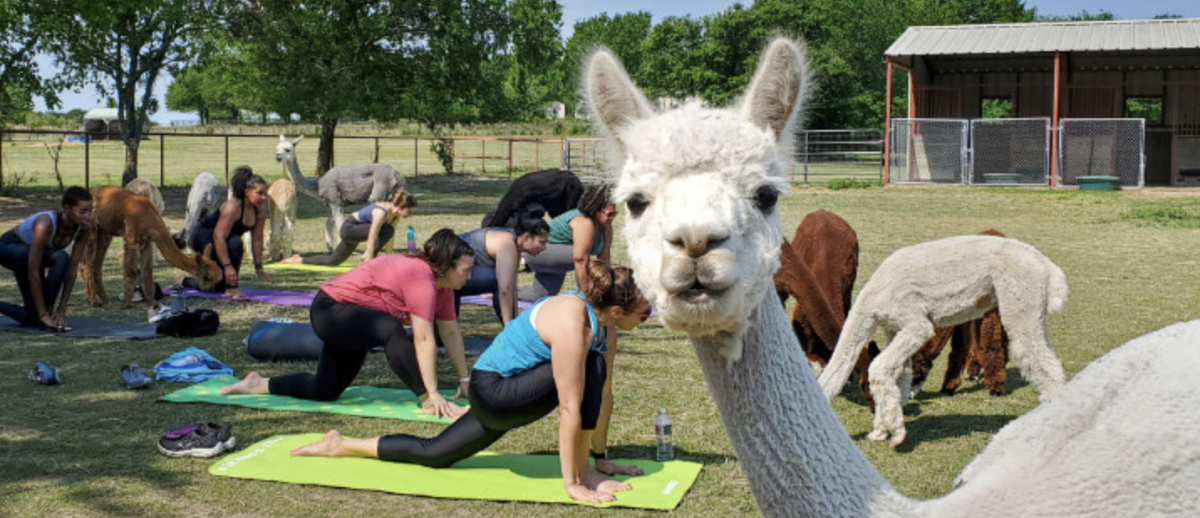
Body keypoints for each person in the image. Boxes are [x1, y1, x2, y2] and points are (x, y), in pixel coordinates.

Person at [290, 261, 654, 504]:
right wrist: (577, 481)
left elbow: (599, 399)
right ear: (617, 311)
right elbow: (571, 407)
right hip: (496, 394)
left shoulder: (593, 317)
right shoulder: (574, 324)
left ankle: (341, 444)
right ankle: (583, 472)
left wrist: (602, 459)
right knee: (592, 367)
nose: (649, 318)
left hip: (496, 394)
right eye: (645, 312)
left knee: (434, 454)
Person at [221, 229, 476, 420]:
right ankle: (425, 400)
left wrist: (464, 378)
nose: (470, 276)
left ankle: (259, 384)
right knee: (390, 329)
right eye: (465, 270)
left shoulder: (443, 289)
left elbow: (450, 332)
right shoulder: (420, 276)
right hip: (330, 311)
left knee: (324, 390)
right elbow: (423, 339)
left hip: (355, 320)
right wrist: (431, 393)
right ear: (445, 266)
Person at [0, 187, 94, 331]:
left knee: (31, 317)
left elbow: (72, 270)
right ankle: (44, 313)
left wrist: (62, 309)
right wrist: (43, 313)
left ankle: (43, 313)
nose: (88, 217)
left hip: (29, 257)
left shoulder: (84, 228)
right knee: (60, 257)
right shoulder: (45, 224)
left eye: (90, 211)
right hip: (8, 248)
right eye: (82, 212)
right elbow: (34, 270)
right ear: (67, 208)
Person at [181, 166, 272, 298]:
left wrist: (259, 267)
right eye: (259, 193)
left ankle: (187, 281)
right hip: (203, 235)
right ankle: (231, 289)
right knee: (235, 244)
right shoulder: (232, 207)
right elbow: (219, 237)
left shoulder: (259, 211)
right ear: (247, 192)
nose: (264, 197)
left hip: (225, 239)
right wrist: (228, 266)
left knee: (217, 285)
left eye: (265, 193)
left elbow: (257, 239)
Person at [519, 182, 615, 301]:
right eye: (609, 214)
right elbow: (580, 260)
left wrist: (608, 286)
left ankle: (499, 290)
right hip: (539, 252)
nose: (612, 218)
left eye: (614, 213)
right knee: (582, 255)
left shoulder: (606, 226)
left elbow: (604, 257)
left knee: (538, 296)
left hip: (559, 260)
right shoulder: (583, 222)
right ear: (595, 209)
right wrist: (586, 295)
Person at [280, 191, 418, 266]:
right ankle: (368, 262)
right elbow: (372, 236)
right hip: (350, 229)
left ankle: (299, 259)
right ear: (401, 207)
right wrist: (369, 262)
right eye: (410, 212)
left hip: (359, 231)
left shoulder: (395, 215)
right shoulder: (380, 212)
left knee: (333, 261)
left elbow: (388, 238)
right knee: (385, 230)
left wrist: (388, 257)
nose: (410, 215)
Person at [455, 217, 550, 325]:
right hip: (448, 273)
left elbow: (512, 288)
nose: (544, 248)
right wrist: (509, 327)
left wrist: (514, 322)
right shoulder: (507, 244)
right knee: (500, 281)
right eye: (542, 242)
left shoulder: (514, 244)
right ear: (527, 237)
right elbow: (504, 289)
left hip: (454, 272)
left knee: (504, 281)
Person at [482, 169, 583, 228]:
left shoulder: (517, 201)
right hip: (555, 186)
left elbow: (537, 212)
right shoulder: (514, 200)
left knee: (568, 222)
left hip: (567, 186)